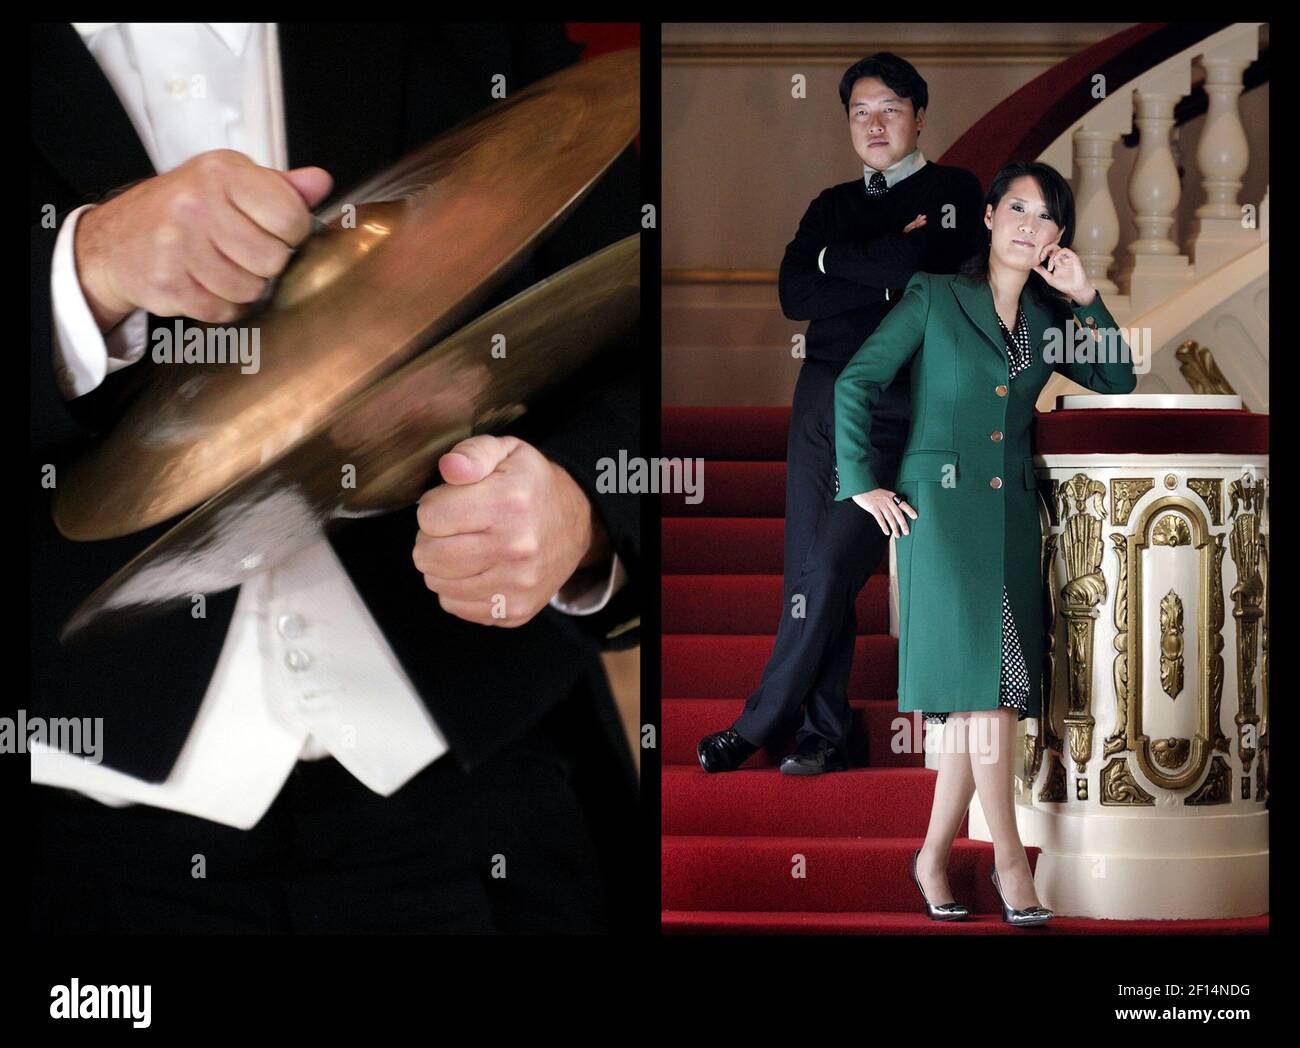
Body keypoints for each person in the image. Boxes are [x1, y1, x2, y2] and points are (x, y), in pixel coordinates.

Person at [29, 22, 640, 934]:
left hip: (478, 808)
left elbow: (640, 305)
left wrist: (582, 517)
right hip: (81, 847)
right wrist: (82, 268)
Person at [833, 160, 1137, 925]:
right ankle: (1007, 860)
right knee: (988, 693)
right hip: (938, 516)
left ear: (1055, 239)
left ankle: (933, 856)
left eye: (1045, 218)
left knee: (986, 693)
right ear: (991, 216)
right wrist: (859, 481)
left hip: (1007, 521)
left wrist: (1086, 298)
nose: (1028, 225)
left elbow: (1119, 377)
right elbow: (855, 382)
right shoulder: (936, 296)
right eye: (1017, 208)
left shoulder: (1045, 320)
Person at [696, 52, 983, 775]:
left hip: (897, 402)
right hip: (821, 395)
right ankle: (827, 732)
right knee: (808, 570)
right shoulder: (829, 202)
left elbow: (925, 281)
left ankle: (760, 721)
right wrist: (881, 255)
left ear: (920, 114)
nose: (875, 123)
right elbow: (797, 295)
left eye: (889, 108)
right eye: (860, 112)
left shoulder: (953, 192)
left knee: (830, 564)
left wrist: (839, 263)